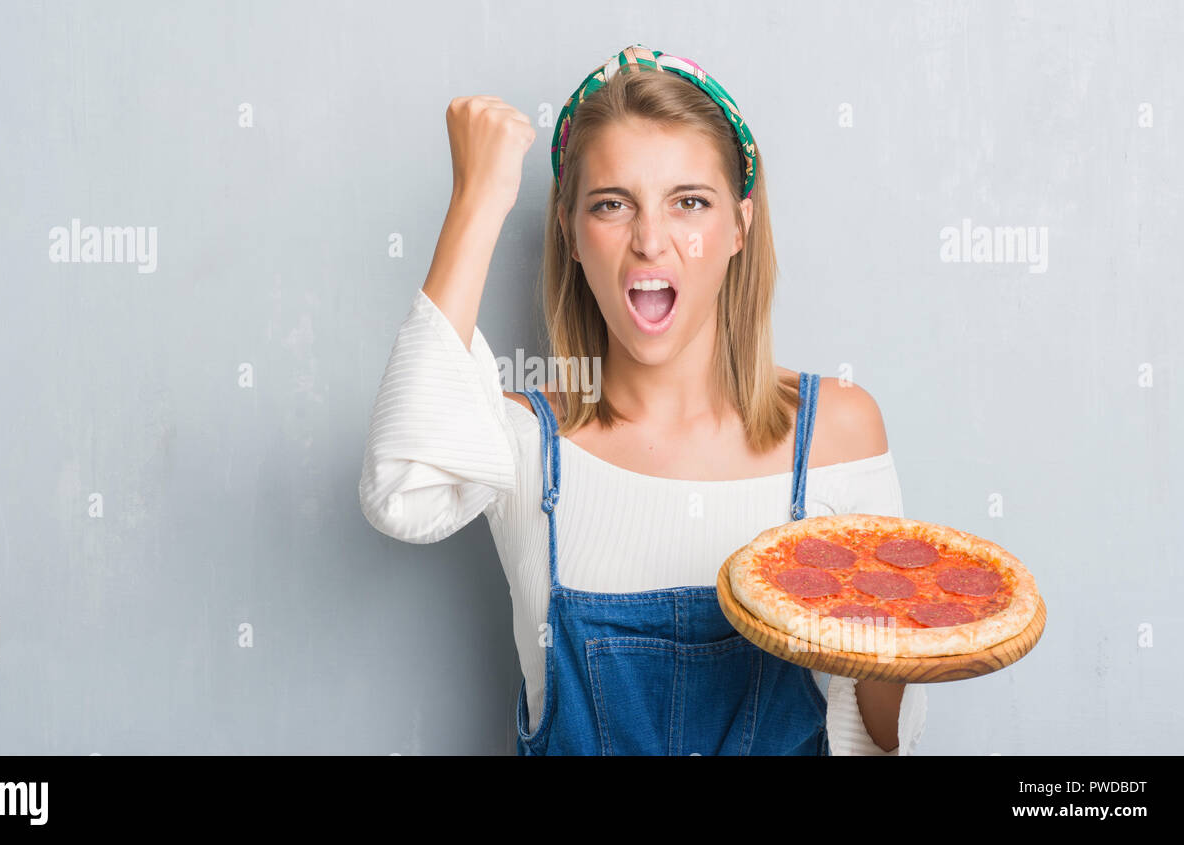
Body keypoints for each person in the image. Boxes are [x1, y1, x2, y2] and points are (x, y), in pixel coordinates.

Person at [360, 44, 926, 755]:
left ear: (740, 227)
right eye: (611, 204)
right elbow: (398, 494)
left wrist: (893, 637)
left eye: (689, 201)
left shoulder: (836, 432)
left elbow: (880, 740)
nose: (650, 240)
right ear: (568, 232)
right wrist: (479, 197)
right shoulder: (522, 438)